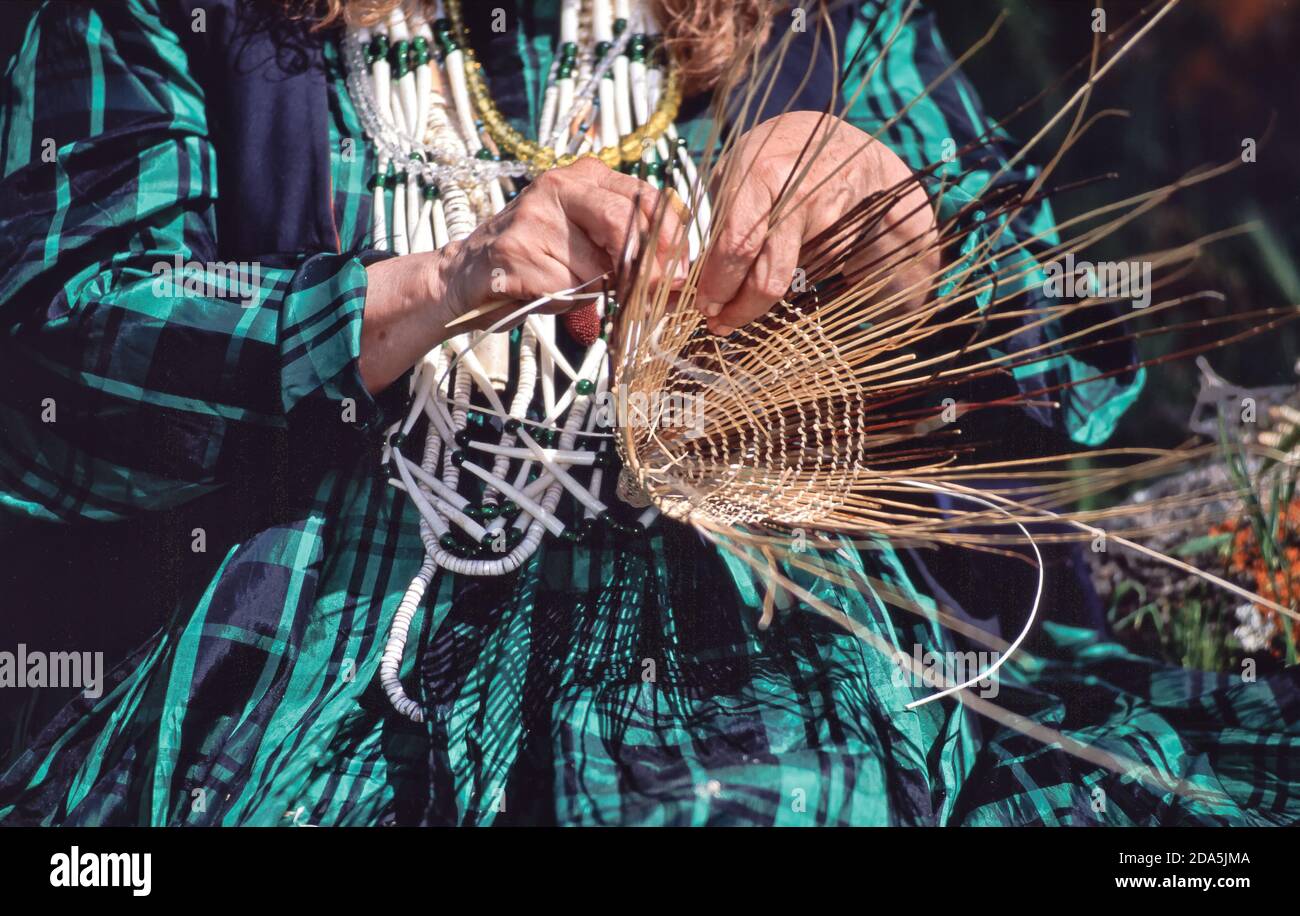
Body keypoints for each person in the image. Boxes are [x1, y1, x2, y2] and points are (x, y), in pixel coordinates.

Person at [0, 0, 1293, 826]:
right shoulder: (170, 17)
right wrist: (430, 288)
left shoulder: (823, 20)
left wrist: (913, 239)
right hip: (318, 638)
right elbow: (63, 347)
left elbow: (1059, 342)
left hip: (761, 632)